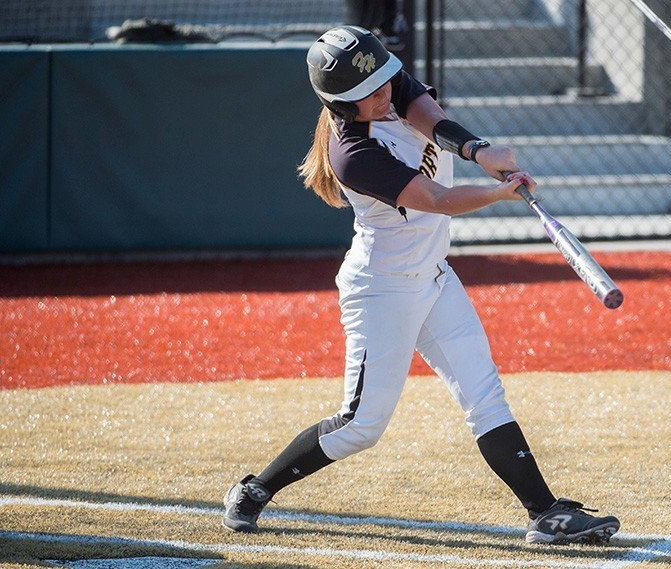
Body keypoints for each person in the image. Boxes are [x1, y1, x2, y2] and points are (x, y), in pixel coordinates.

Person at [222, 25, 620, 545]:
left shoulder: (387, 85)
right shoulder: (352, 154)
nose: (385, 92)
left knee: (485, 395)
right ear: (341, 104)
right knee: (361, 425)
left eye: (385, 81)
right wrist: (497, 194)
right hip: (383, 289)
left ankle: (545, 515)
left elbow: (433, 120)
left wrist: (479, 151)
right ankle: (255, 489)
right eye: (370, 92)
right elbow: (436, 199)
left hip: (434, 276)